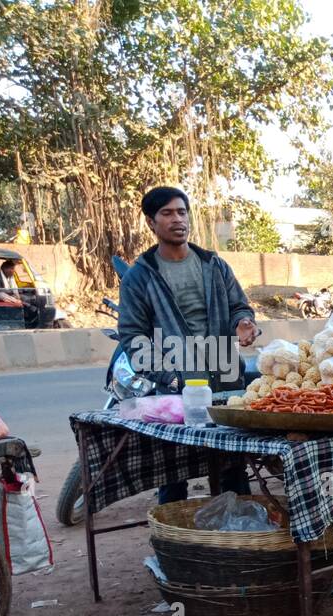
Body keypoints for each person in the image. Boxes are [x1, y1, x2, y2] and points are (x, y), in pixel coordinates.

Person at [118, 186, 257, 503]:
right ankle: (174, 542)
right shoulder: (141, 276)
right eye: (167, 213)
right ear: (152, 223)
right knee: (173, 471)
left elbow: (239, 306)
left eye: (181, 212)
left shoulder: (213, 264)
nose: (177, 219)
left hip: (224, 377)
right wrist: (168, 377)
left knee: (232, 466)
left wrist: (243, 323)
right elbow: (132, 336)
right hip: (177, 388)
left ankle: (242, 536)